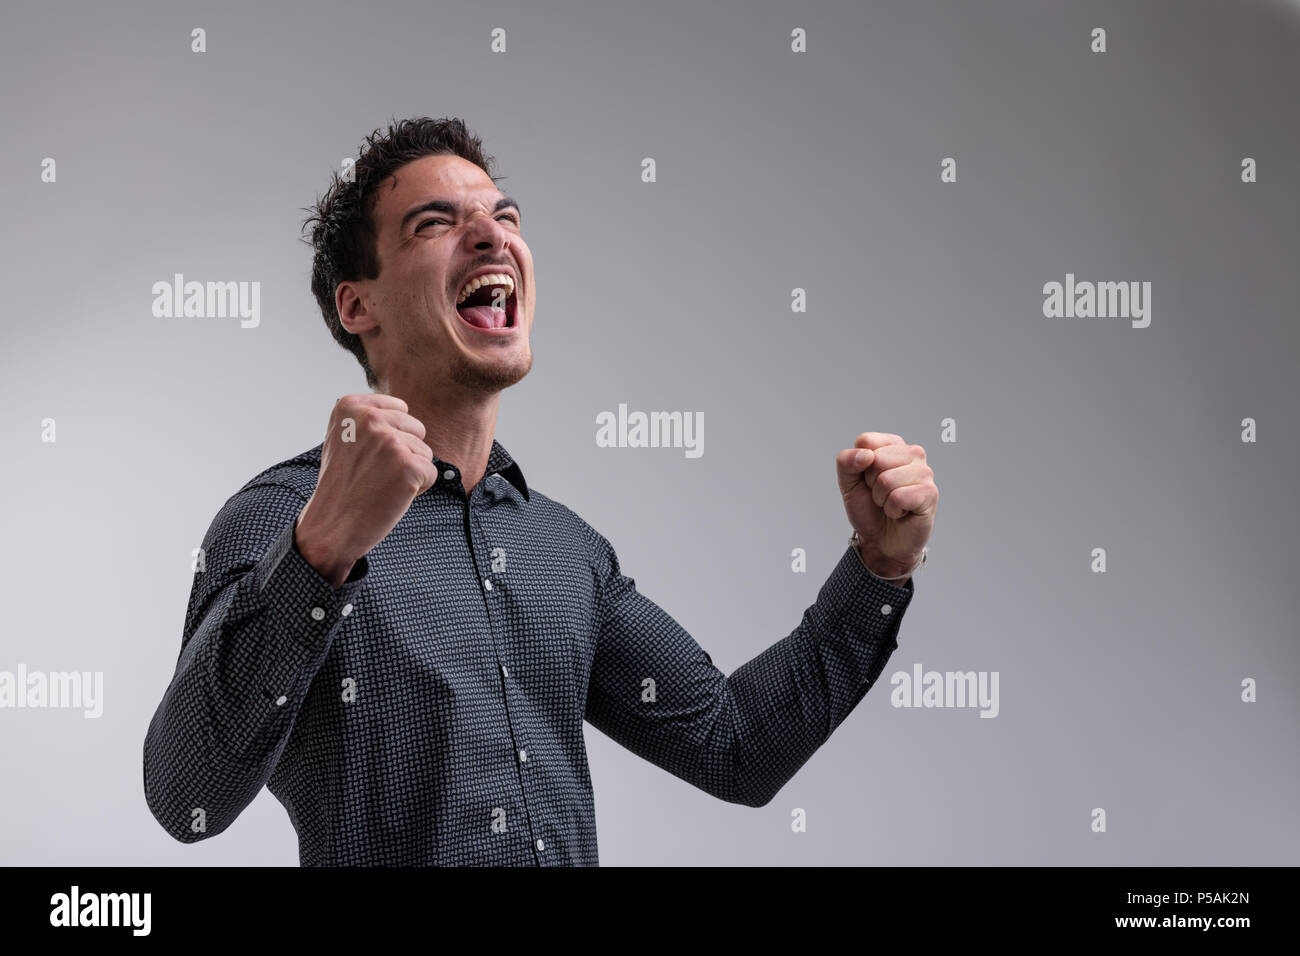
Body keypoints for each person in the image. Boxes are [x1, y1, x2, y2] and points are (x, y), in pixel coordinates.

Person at [142, 116, 939, 866]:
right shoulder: (282, 518)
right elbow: (186, 803)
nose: (493, 235)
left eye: (506, 217)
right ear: (359, 304)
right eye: (435, 223)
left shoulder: (563, 549)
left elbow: (735, 749)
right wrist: (320, 553)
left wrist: (879, 569)